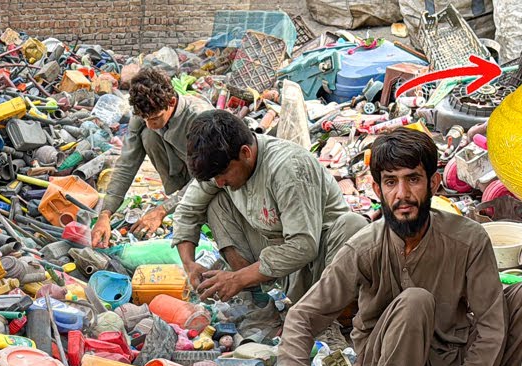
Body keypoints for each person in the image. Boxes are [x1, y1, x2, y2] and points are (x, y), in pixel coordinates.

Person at [275, 128, 522, 366]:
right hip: (391, 364)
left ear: (434, 184)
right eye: (391, 182)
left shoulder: (468, 239)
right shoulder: (364, 247)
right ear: (377, 189)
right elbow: (302, 317)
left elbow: (491, 327)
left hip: (450, 356)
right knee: (415, 300)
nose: (402, 194)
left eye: (413, 179)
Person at [172, 110, 368, 303]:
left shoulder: (288, 168)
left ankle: (325, 314)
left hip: (317, 260)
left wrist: (238, 278)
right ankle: (254, 297)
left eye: (223, 174)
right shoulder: (222, 164)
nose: (220, 182)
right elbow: (187, 210)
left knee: (352, 224)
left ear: (245, 153)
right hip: (273, 254)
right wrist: (189, 265)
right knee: (216, 203)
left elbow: (304, 245)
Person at [91, 67, 212, 248]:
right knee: (147, 134)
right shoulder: (144, 116)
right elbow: (126, 164)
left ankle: (190, 206)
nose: (149, 123)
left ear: (171, 101)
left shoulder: (200, 118)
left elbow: (209, 178)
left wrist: (163, 210)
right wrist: (105, 214)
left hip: (211, 179)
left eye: (155, 118)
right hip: (184, 180)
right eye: (144, 118)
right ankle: (182, 200)